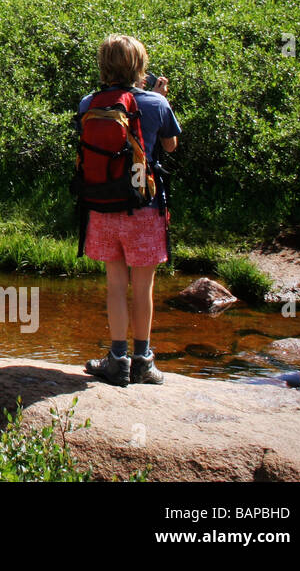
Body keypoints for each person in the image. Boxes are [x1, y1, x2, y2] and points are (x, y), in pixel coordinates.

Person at [80, 35, 180, 386]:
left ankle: (117, 359)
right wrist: (160, 99)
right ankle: (143, 361)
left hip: (103, 207)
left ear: (103, 65)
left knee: (115, 284)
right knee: (143, 286)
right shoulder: (155, 103)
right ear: (140, 67)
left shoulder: (87, 103)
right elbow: (170, 145)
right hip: (145, 207)